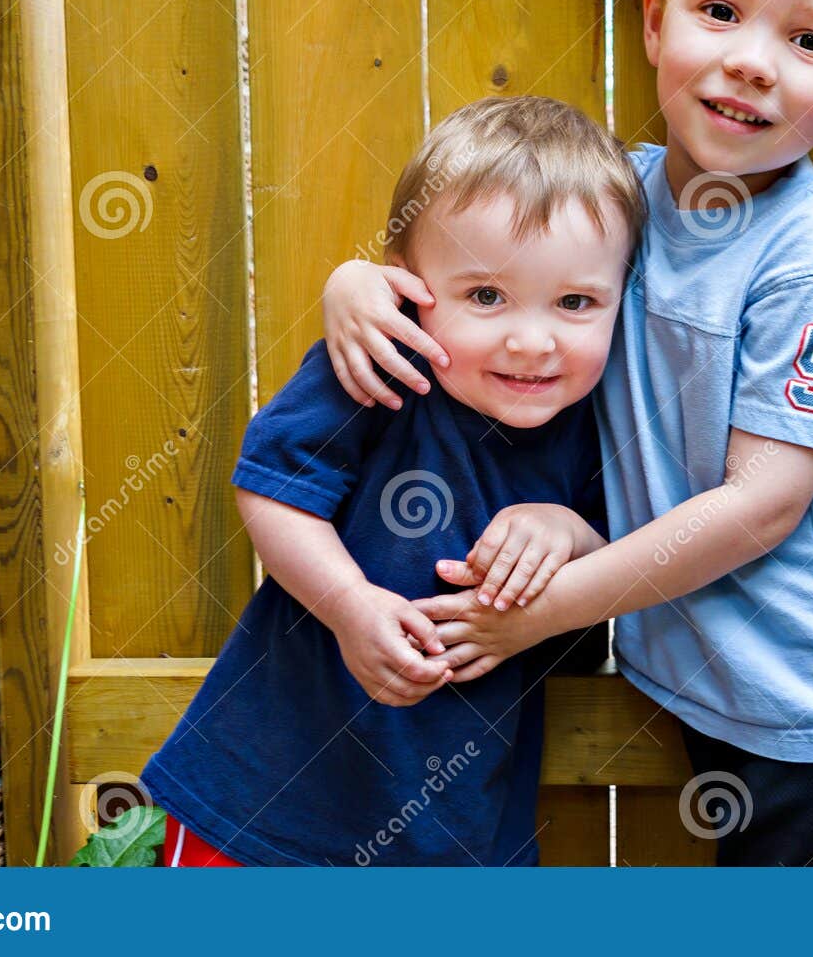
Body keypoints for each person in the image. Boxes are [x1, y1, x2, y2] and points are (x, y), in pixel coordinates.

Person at [320, 0, 813, 866]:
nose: (754, 59)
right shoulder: (614, 199)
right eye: (722, 12)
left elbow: (758, 505)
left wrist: (529, 620)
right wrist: (354, 283)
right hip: (712, 680)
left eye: (807, 39)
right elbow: (467, 260)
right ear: (656, 17)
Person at [140, 95, 644, 865]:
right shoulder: (383, 371)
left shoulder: (604, 422)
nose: (533, 339)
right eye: (485, 295)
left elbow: (620, 562)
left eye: (575, 302)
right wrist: (347, 606)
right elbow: (272, 485)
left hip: (455, 828)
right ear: (406, 287)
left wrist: (566, 530)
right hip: (262, 801)